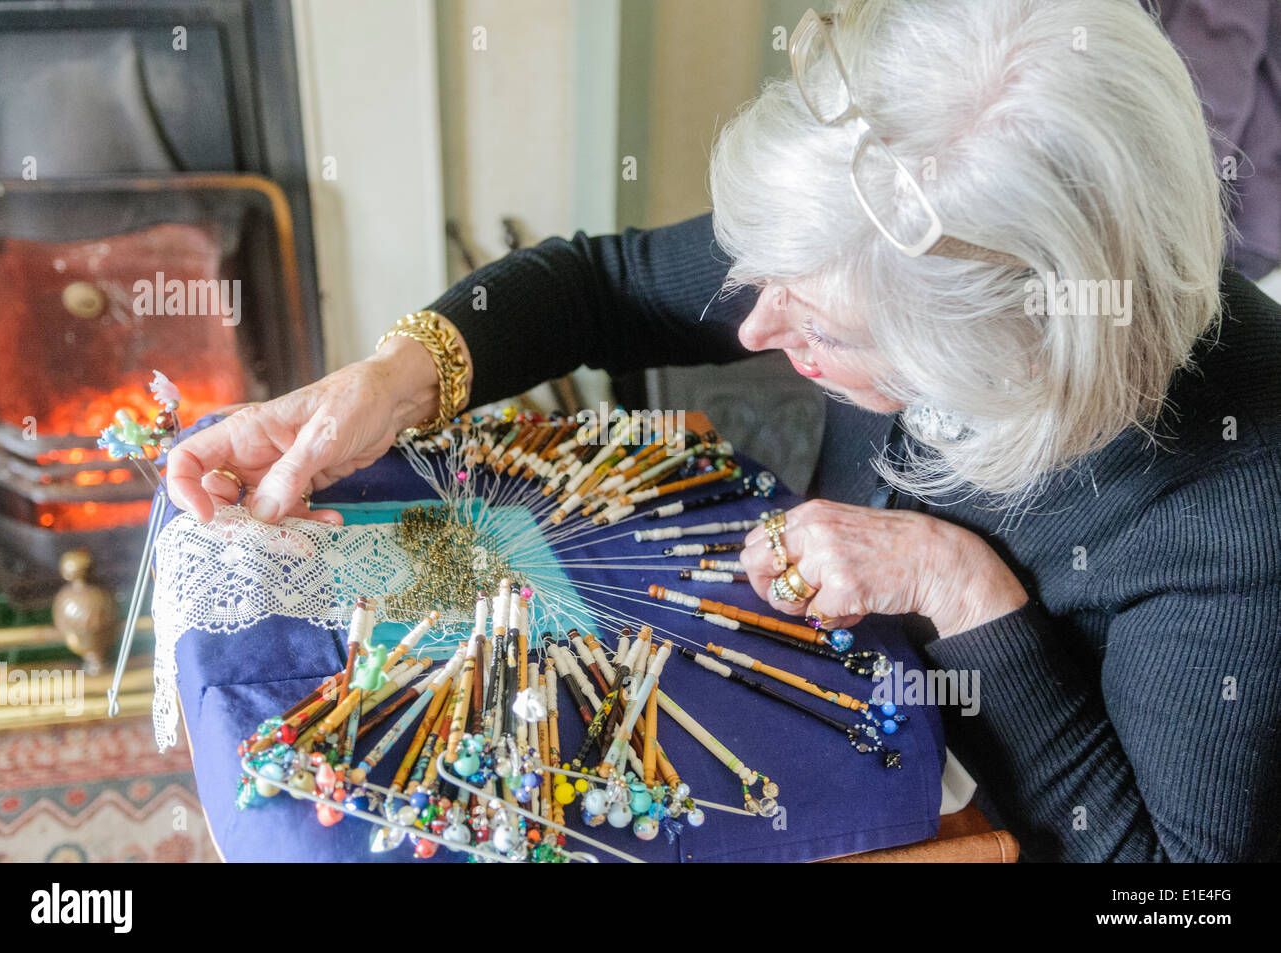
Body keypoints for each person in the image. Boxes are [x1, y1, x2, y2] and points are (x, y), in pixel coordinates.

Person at [166, 0, 1281, 861]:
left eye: (817, 328)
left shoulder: (1240, 510)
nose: (750, 323)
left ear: (999, 360)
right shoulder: (881, 211)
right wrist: (393, 380)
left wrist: (958, 588)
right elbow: (601, 284)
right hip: (845, 705)